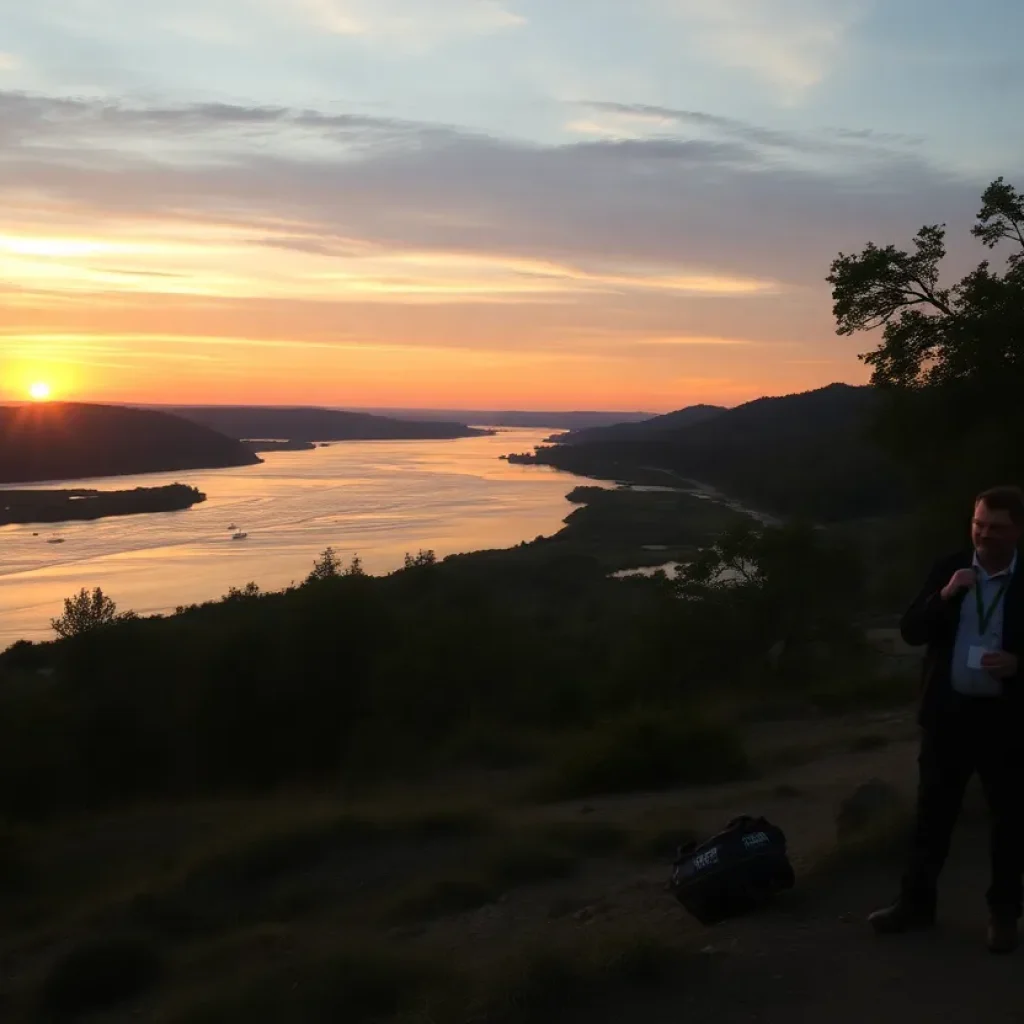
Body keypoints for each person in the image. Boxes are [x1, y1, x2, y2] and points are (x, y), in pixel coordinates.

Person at [869, 485, 1024, 954]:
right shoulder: (950, 566)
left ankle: (1003, 915)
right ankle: (915, 905)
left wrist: (1021, 663)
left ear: (1018, 531)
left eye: (996, 528)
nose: (984, 535)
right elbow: (912, 630)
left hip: (1007, 721)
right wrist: (945, 594)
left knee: (1010, 822)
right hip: (948, 718)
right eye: (978, 524)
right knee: (931, 817)